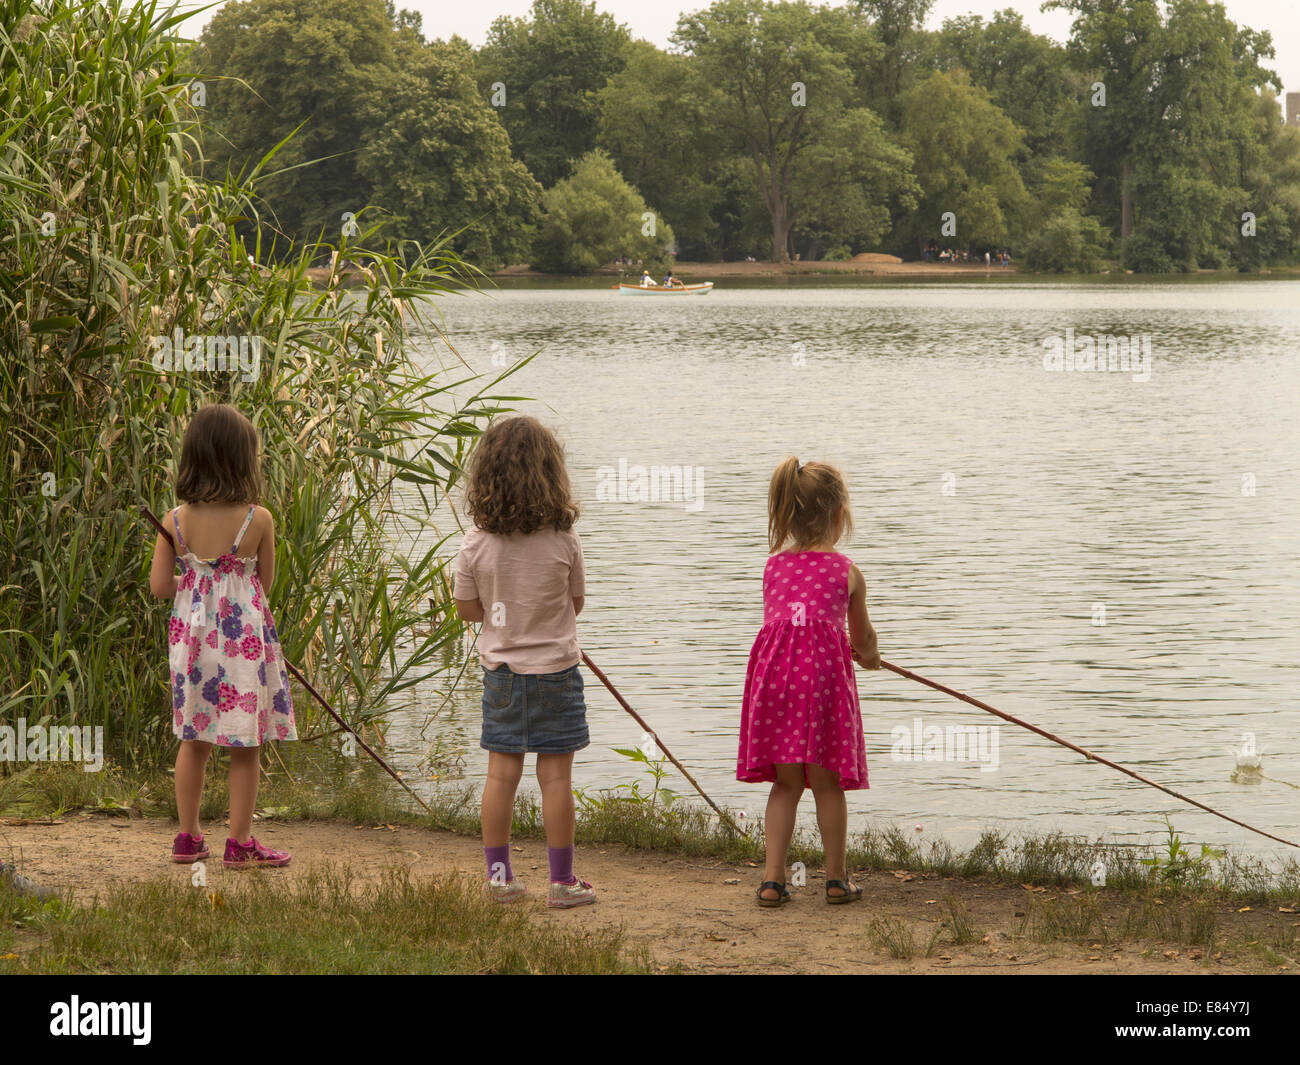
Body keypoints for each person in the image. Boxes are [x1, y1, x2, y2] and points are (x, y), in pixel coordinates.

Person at [454, 416, 595, 909]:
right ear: (551, 473)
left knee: (500, 775)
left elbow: (469, 610)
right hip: (557, 671)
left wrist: (505, 616)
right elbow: (575, 603)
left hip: (503, 677)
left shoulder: (476, 543)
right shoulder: (564, 539)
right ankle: (563, 882)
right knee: (556, 778)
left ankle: (499, 879)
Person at [149, 404, 296, 869]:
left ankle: (188, 838)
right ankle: (240, 842)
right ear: (242, 460)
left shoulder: (174, 521)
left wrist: (194, 587)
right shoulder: (258, 520)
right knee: (245, 744)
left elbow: (158, 587)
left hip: (191, 645)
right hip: (241, 648)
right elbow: (264, 585)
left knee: (193, 739)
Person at [737, 457, 880, 908]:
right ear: (840, 515)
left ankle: (772, 880)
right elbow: (864, 638)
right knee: (826, 784)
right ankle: (836, 880)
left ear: (788, 514)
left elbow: (791, 625)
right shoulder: (847, 571)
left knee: (785, 785)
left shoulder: (772, 567)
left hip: (776, 683)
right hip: (821, 688)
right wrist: (870, 657)